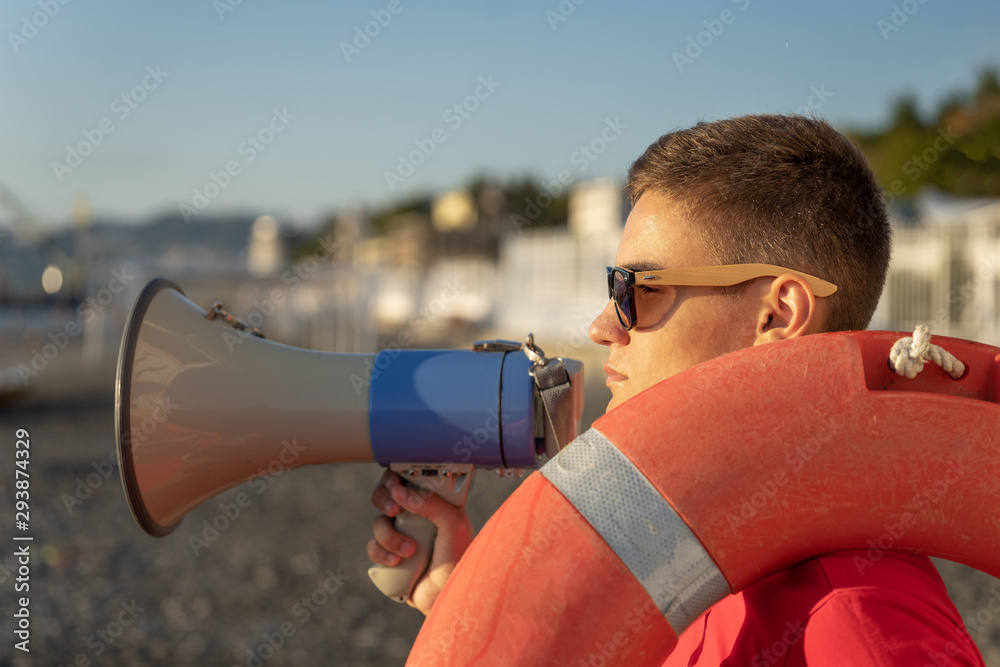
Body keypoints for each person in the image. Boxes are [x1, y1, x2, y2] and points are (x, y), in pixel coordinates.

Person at [367, 114, 985, 665]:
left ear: (777, 314)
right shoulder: (689, 569)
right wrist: (479, 618)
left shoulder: (854, 628)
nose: (602, 326)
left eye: (639, 290)